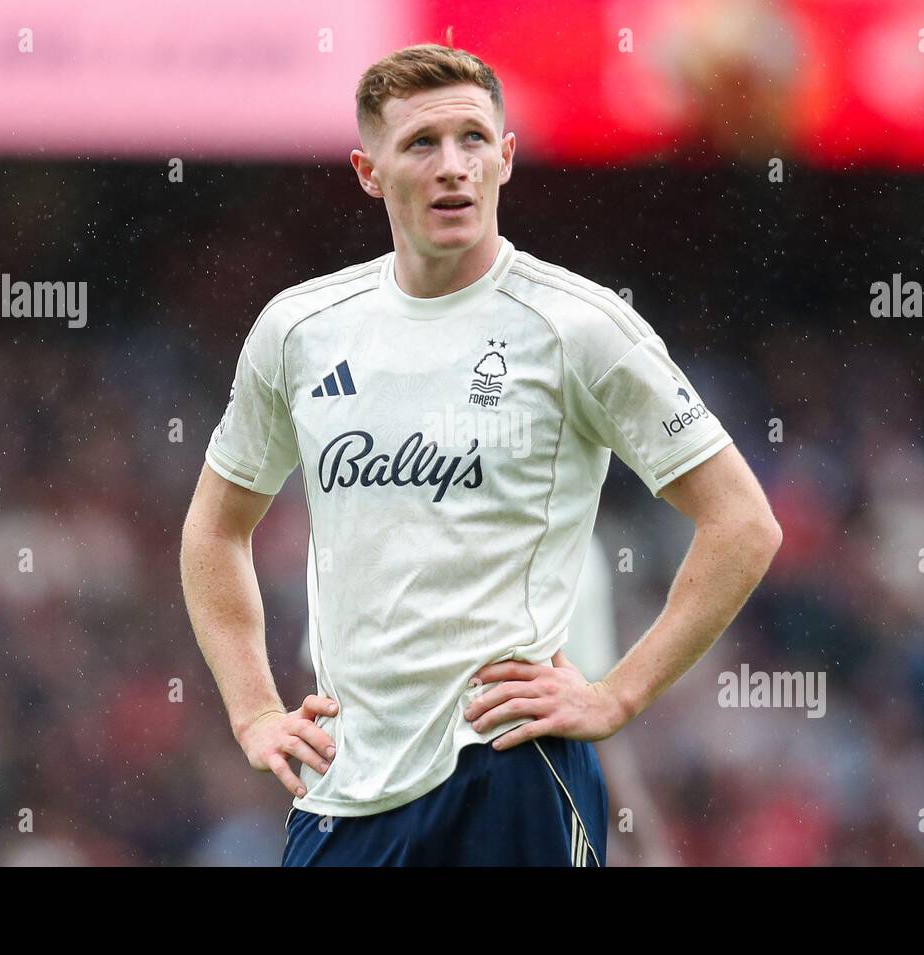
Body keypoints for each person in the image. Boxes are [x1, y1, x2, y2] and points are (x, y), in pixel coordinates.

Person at [179, 42, 781, 866]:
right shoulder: (300, 330)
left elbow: (743, 523)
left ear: (504, 159)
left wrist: (617, 695)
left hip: (509, 768)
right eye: (422, 144)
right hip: (341, 787)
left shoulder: (579, 327)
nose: (452, 166)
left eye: (472, 140)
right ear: (368, 171)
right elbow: (215, 529)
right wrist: (253, 711)